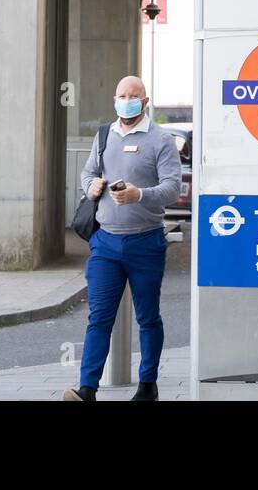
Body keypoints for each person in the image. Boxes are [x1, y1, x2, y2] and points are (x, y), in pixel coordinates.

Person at [63, 75, 181, 402]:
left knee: (147, 317)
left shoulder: (161, 139)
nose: (126, 100)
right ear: (115, 98)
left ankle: (148, 386)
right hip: (105, 244)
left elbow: (173, 188)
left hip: (146, 242)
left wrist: (138, 194)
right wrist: (92, 186)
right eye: (121, 95)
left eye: (133, 95)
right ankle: (87, 389)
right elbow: (87, 173)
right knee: (99, 317)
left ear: (144, 101)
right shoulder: (104, 135)